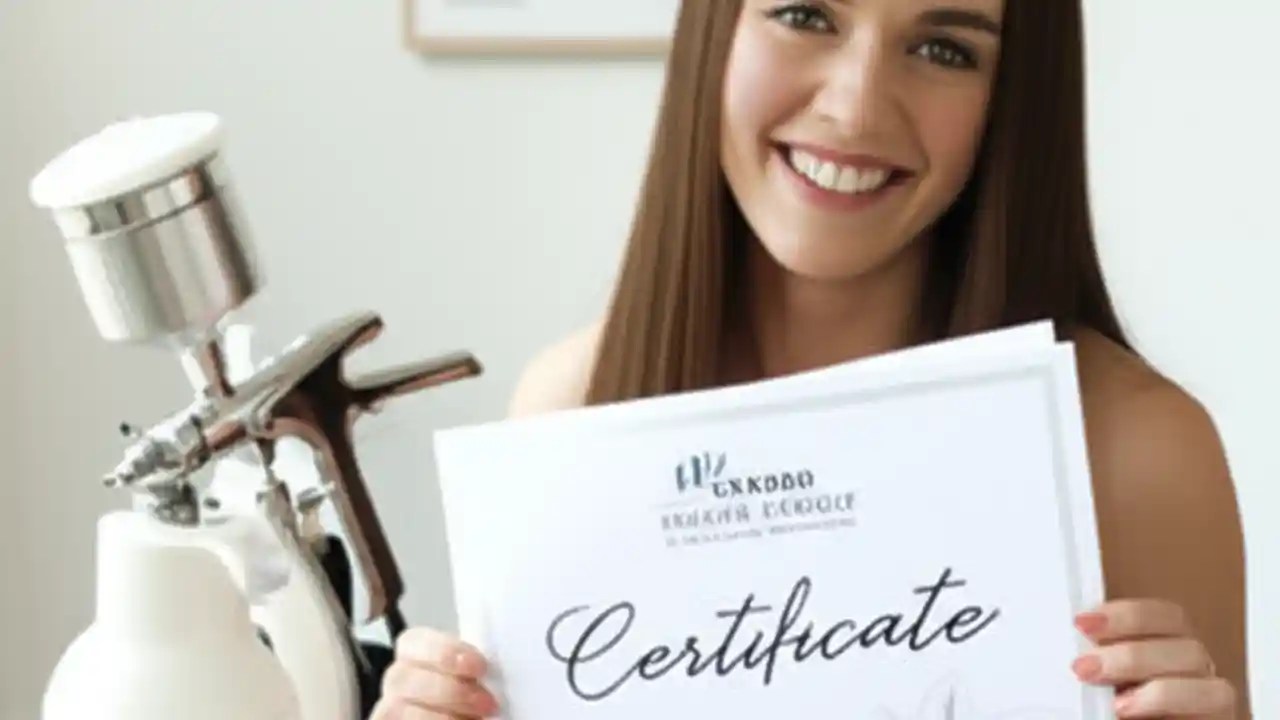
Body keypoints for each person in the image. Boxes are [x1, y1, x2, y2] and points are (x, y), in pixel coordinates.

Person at [372, 0, 1250, 717]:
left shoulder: (1134, 450)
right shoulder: (574, 405)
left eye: (944, 48)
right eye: (804, 14)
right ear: (716, 28)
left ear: (1013, 98)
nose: (857, 106)